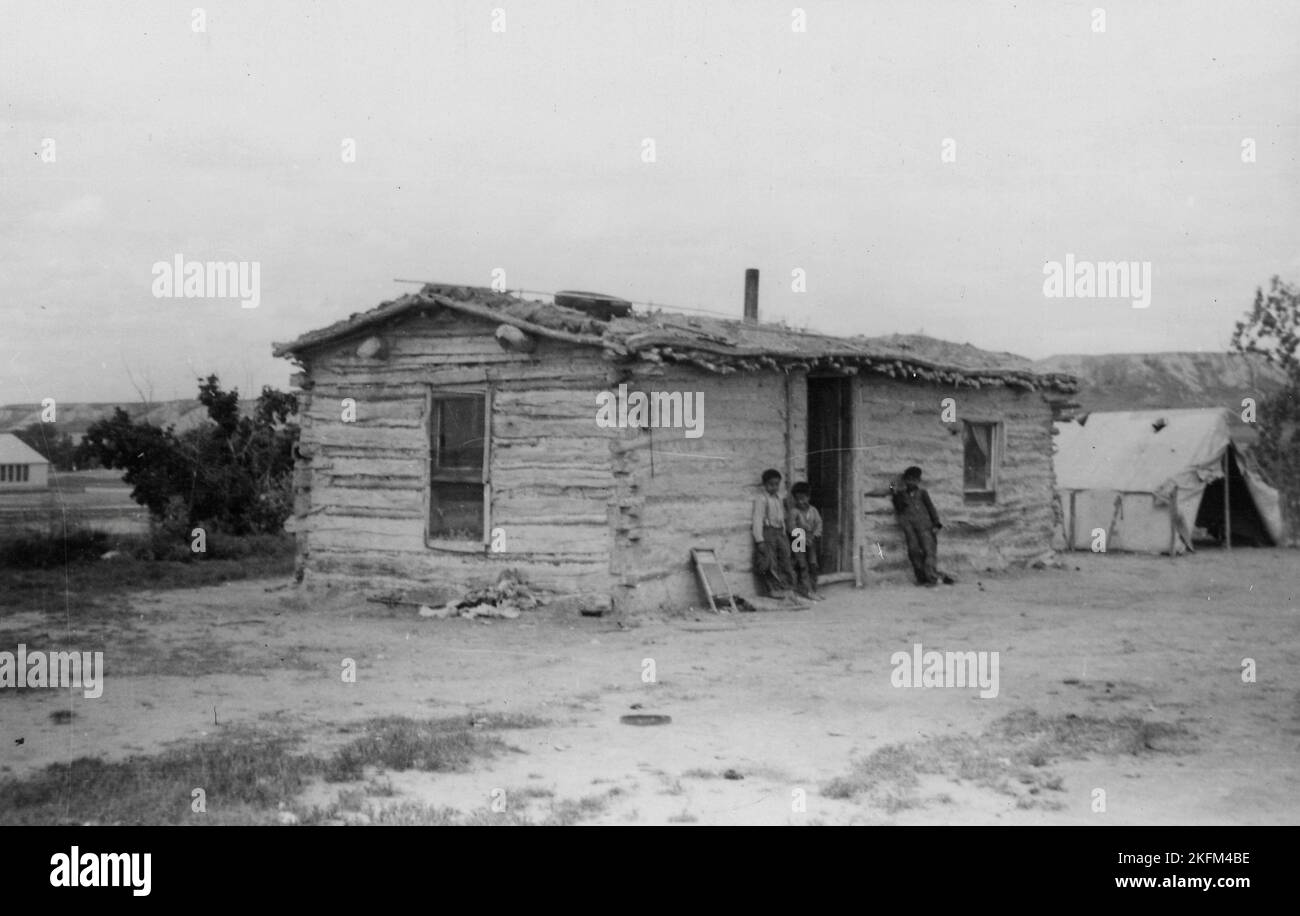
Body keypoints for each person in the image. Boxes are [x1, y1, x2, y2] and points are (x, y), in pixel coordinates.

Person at [887, 466, 953, 587]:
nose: (911, 482)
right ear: (905, 481)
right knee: (914, 551)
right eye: (908, 479)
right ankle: (921, 578)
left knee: (929, 552)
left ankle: (931, 578)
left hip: (925, 527)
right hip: (910, 528)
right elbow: (895, 498)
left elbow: (931, 508)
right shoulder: (901, 495)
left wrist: (936, 523)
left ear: (918, 481)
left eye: (914, 480)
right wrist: (892, 482)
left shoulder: (923, 493)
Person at [752, 468, 797, 598]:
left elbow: (781, 516)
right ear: (765, 484)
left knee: (785, 558)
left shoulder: (778, 498)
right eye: (771, 484)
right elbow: (757, 519)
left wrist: (783, 531)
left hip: (779, 532)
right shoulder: (762, 499)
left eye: (777, 484)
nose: (774, 487)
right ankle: (773, 589)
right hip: (768, 532)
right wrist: (759, 539)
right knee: (770, 561)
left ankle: (787, 587)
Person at [786, 481, 825, 600]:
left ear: (808, 497)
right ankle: (806, 590)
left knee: (813, 564)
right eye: (797, 499)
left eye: (803, 499)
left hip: (811, 541)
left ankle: (814, 589)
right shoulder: (794, 512)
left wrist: (815, 535)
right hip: (798, 541)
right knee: (802, 565)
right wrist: (802, 537)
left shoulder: (813, 511)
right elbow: (791, 527)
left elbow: (819, 524)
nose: (800, 502)